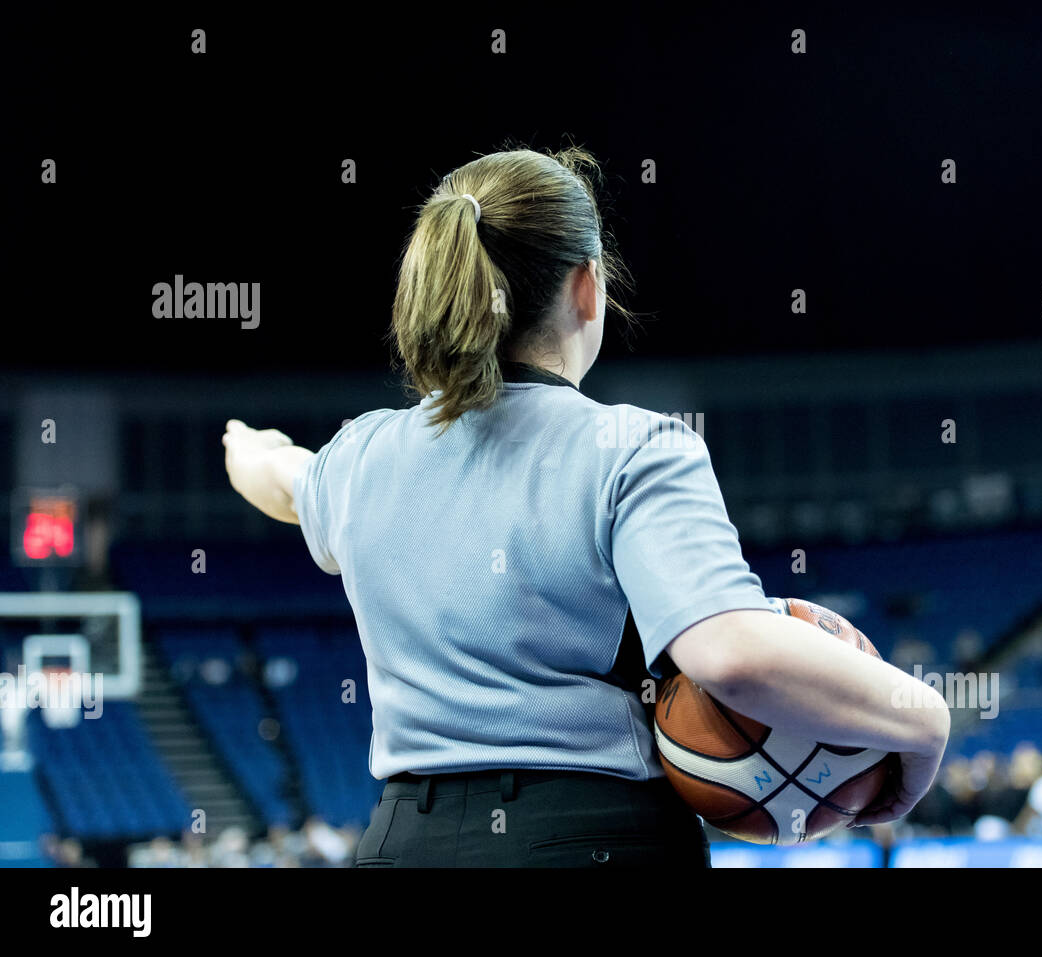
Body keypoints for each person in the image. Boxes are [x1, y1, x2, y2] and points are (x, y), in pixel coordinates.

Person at [222, 146, 950, 867]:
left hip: (401, 840)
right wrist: (925, 718)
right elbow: (731, 654)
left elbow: (279, 478)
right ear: (588, 287)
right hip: (593, 833)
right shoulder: (634, 447)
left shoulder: (360, 457)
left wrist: (244, 444)